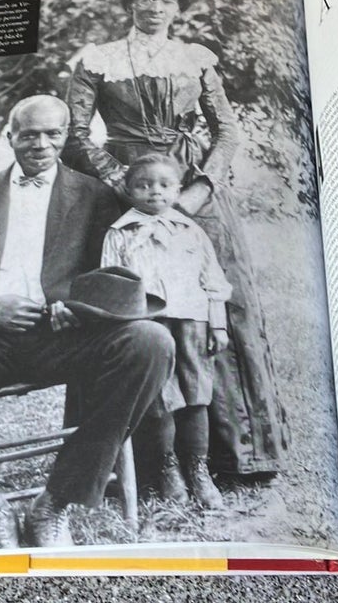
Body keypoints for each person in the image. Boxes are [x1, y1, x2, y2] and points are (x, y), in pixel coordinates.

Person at [0, 95, 175, 550]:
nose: (40, 143)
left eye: (52, 133)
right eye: (29, 134)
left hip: (65, 339)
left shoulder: (95, 196)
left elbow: (118, 277)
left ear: (66, 137)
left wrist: (78, 307)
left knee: (150, 342)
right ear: (10, 137)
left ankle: (56, 501)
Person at [63, 0, 287, 480]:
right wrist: (124, 183)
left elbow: (226, 131)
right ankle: (138, 462)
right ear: (129, 6)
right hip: (127, 190)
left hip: (194, 189)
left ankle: (237, 457)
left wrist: (198, 190)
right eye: (146, 0)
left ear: (178, 10)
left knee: (216, 307)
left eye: (166, 1)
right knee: (132, 308)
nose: (155, 9)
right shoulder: (99, 59)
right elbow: (76, 135)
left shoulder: (196, 59)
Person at [101, 153, 233, 508]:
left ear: (177, 190)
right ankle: (168, 469)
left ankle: (199, 471)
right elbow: (112, 286)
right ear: (129, 191)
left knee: (196, 396)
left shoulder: (192, 230)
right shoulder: (119, 234)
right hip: (149, 326)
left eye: (163, 185)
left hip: (192, 321)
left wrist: (217, 324)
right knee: (161, 400)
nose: (154, 192)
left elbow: (213, 281)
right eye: (143, 185)